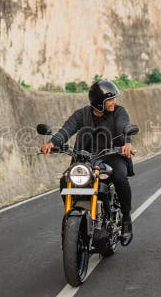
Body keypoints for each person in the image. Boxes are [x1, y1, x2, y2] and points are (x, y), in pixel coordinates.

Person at [41, 79, 136, 244]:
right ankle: (71, 217)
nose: (114, 102)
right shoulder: (81, 114)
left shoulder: (119, 112)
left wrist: (127, 142)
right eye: (110, 100)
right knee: (66, 180)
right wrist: (53, 143)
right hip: (85, 158)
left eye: (114, 99)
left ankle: (126, 220)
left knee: (120, 177)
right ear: (99, 103)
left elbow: (123, 126)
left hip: (112, 155)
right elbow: (66, 129)